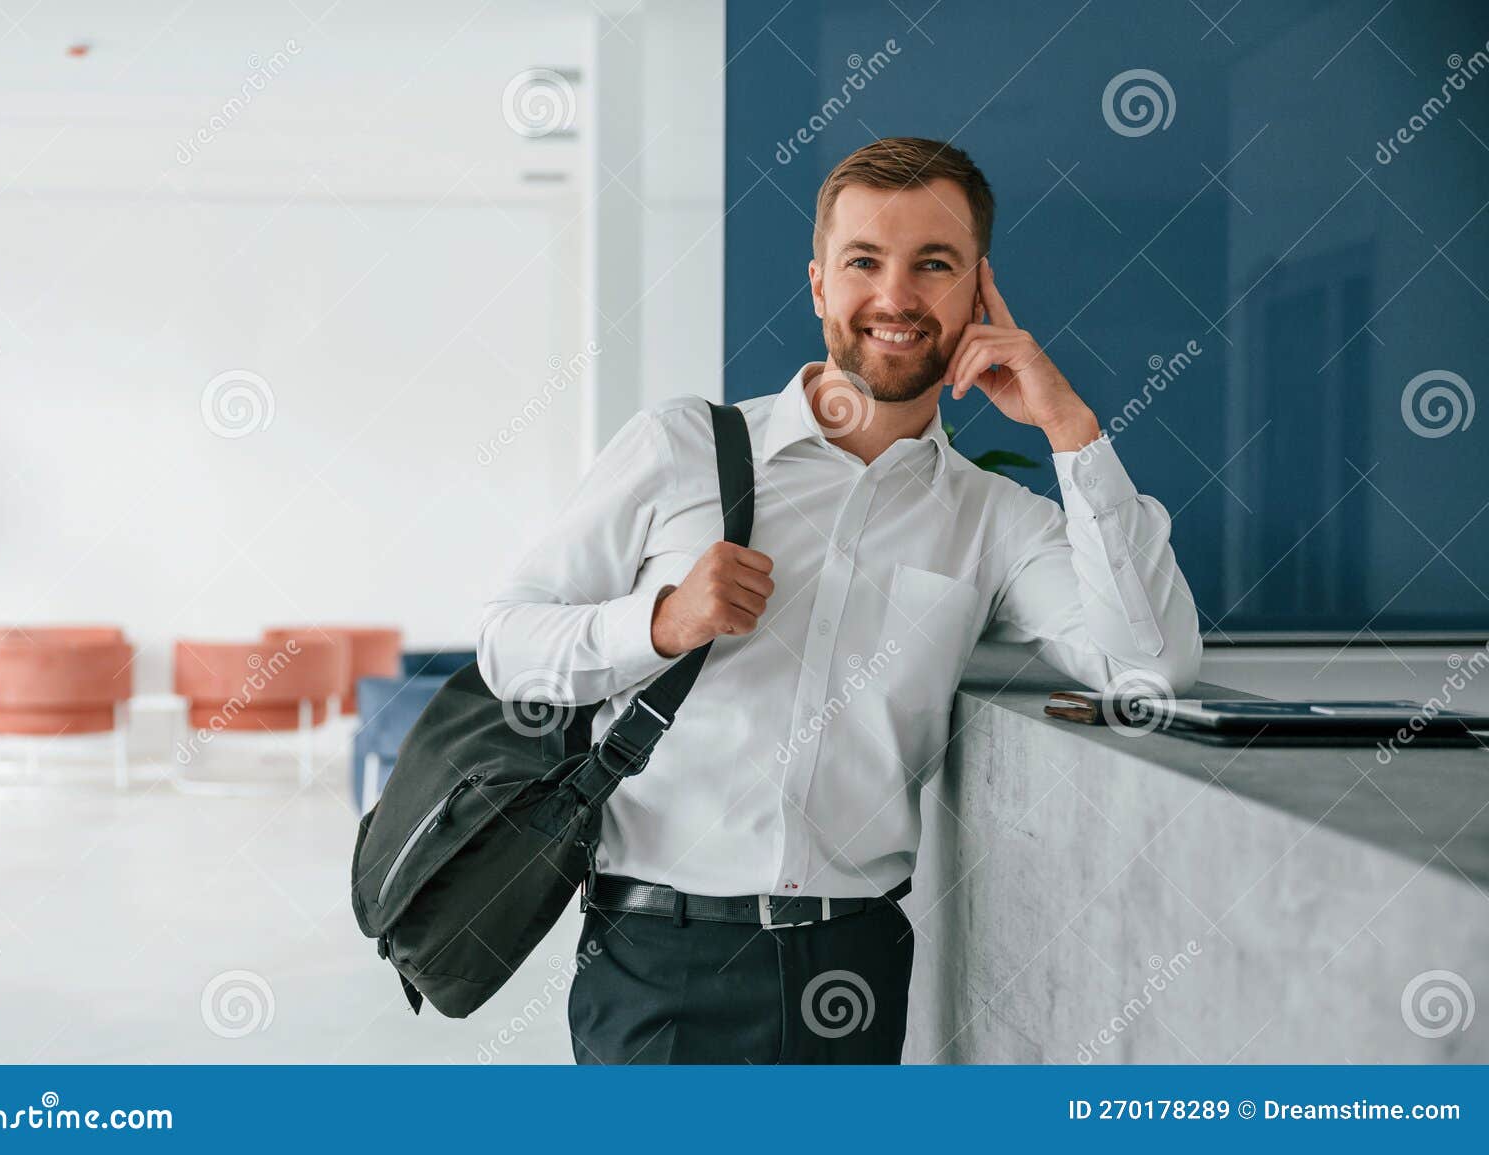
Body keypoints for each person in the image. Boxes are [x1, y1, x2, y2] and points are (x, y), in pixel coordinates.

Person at [477, 136, 1202, 1064]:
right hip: (661, 962)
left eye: (932, 265)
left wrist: (1070, 426)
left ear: (978, 292)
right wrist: (662, 622)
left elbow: (1151, 664)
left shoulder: (991, 520)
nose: (895, 298)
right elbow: (508, 643)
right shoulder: (681, 448)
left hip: (853, 970)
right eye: (865, 262)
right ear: (819, 284)